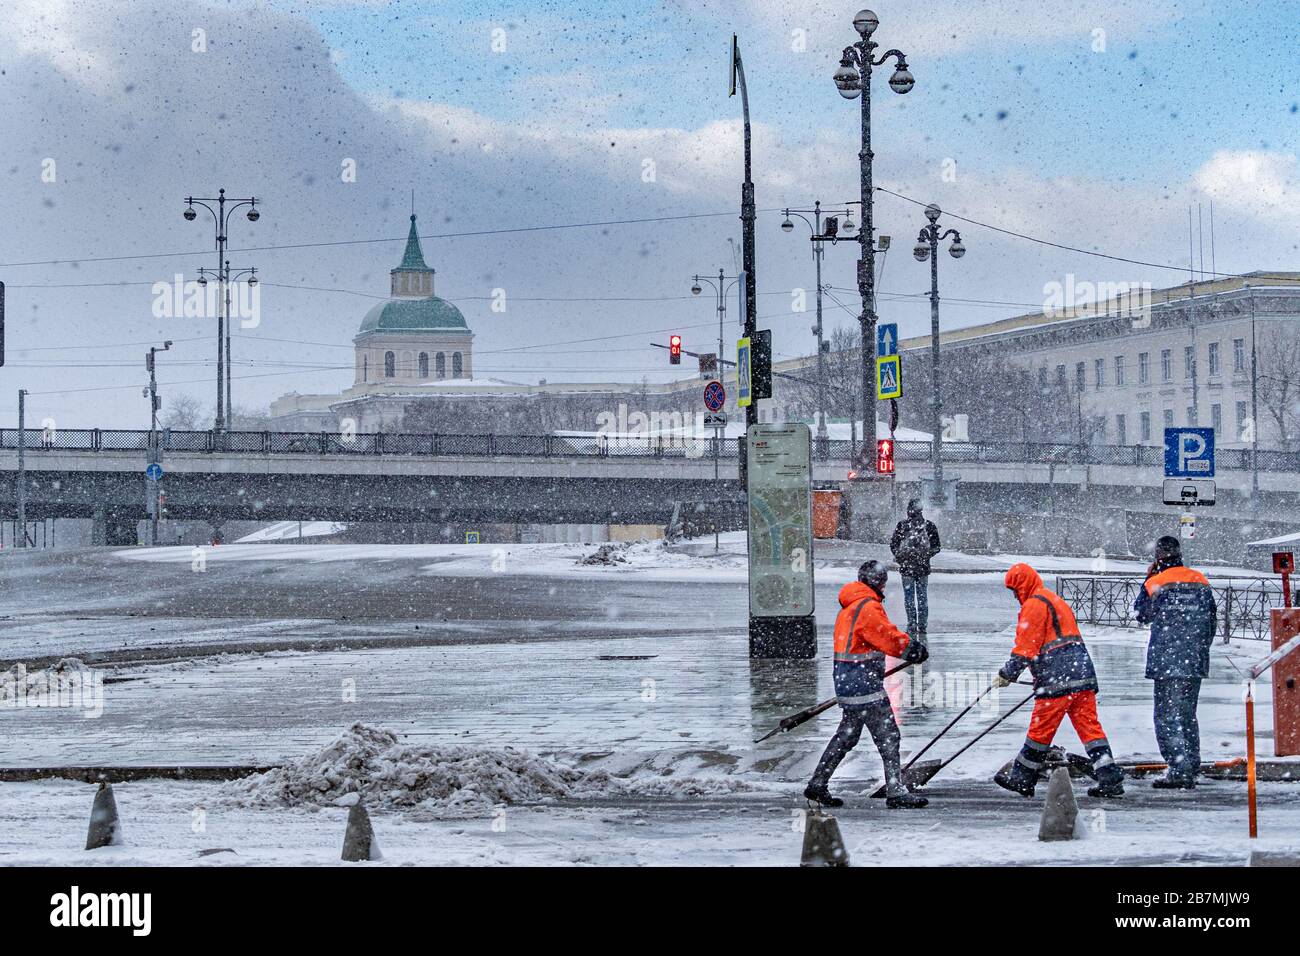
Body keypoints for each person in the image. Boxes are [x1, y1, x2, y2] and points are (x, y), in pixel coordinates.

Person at [805, 560, 931, 809]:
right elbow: (886, 636)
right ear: (879, 582)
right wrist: (911, 649)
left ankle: (818, 784)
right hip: (864, 684)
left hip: (847, 680)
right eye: (883, 581)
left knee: (847, 736)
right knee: (888, 735)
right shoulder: (867, 607)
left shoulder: (850, 606)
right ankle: (896, 791)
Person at [992, 563, 1125, 799]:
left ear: (1022, 586)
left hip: (1057, 679)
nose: (1014, 596)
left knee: (1040, 730)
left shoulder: (1033, 605)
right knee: (1090, 728)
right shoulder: (1054, 600)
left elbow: (1026, 648)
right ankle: (1109, 776)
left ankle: (1022, 779)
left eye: (1014, 590)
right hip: (1082, 674)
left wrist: (1007, 674)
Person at [1134, 535, 1217, 789]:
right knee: (1187, 715)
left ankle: (1178, 769)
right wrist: (1199, 648)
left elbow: (1141, 614)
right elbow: (1212, 621)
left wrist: (1148, 580)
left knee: (1167, 716)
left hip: (1167, 659)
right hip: (1195, 658)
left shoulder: (1156, 581)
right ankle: (1191, 764)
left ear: (1158, 557)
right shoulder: (1200, 580)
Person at [889, 498, 941, 640]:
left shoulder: (902, 525)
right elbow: (937, 546)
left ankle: (911, 624)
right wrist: (925, 556)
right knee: (922, 597)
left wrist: (900, 557)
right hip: (923, 568)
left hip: (906, 568)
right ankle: (922, 626)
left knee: (909, 598)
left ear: (909, 510)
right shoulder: (929, 526)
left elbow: (893, 544)